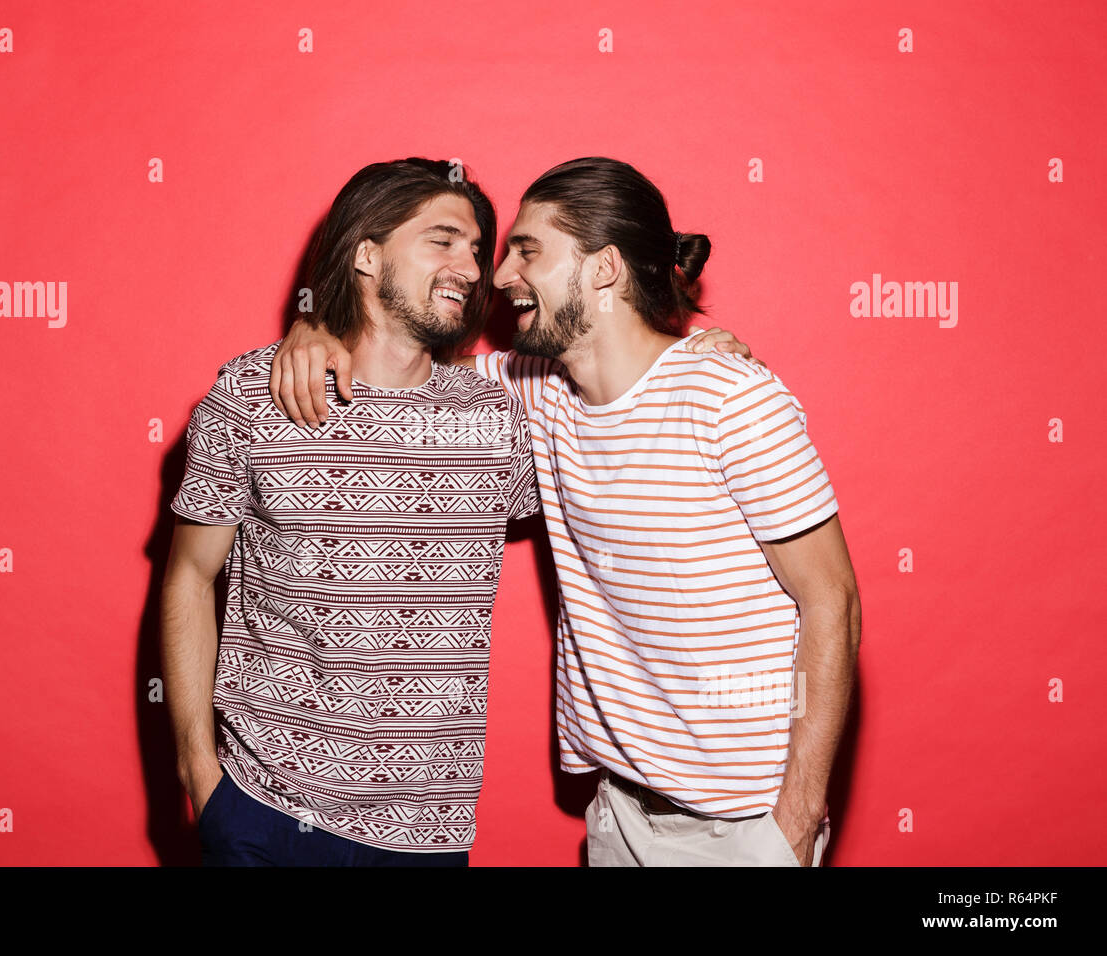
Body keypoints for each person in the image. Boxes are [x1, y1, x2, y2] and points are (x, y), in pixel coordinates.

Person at [271, 156, 861, 866]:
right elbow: (393, 358)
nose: (499, 277)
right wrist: (319, 331)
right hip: (618, 813)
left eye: (527, 251)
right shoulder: (538, 390)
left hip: (742, 826)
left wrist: (796, 818)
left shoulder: (728, 399)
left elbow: (833, 601)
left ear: (603, 269)